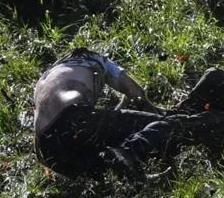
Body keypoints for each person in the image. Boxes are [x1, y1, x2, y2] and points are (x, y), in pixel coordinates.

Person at [34, 48, 177, 177]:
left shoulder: (47, 78)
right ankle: (131, 157)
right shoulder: (96, 59)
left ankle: (136, 178)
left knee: (105, 170)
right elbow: (137, 94)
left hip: (48, 149)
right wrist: (161, 116)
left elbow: (40, 152)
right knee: (167, 127)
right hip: (75, 118)